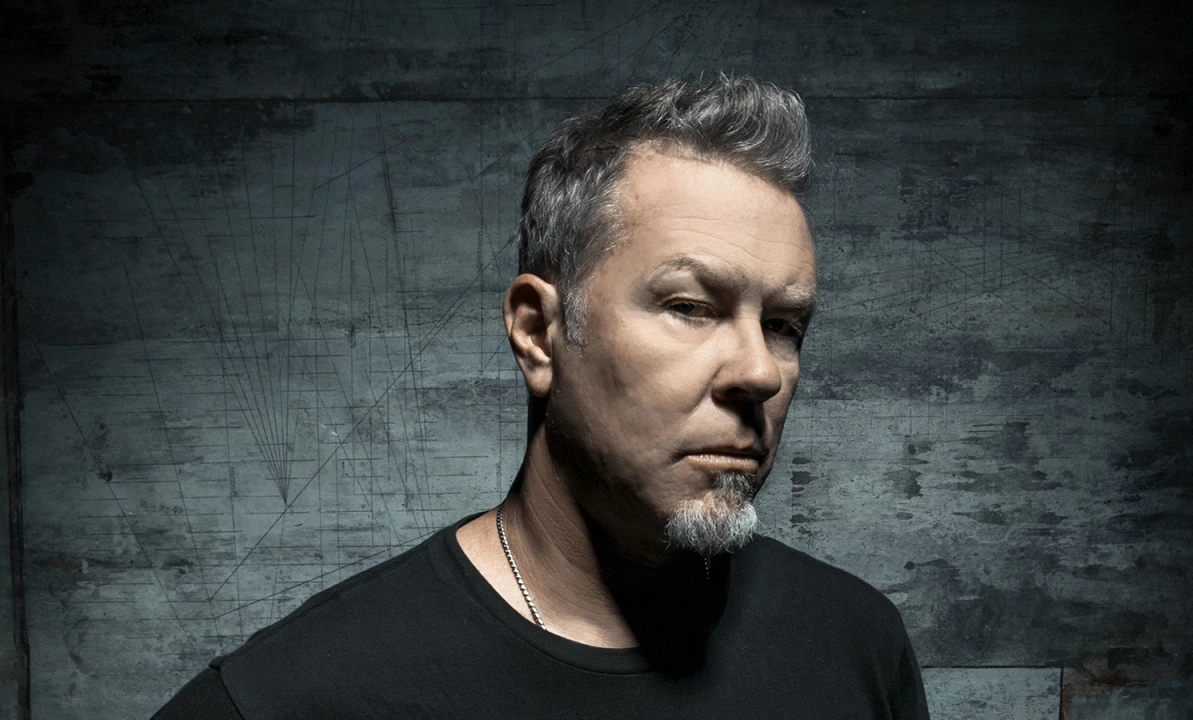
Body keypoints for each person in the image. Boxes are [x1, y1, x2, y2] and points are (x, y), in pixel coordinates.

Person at [152, 74, 930, 719]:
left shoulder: (856, 647)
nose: (760, 372)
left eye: (785, 325)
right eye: (691, 307)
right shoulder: (295, 695)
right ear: (537, 332)